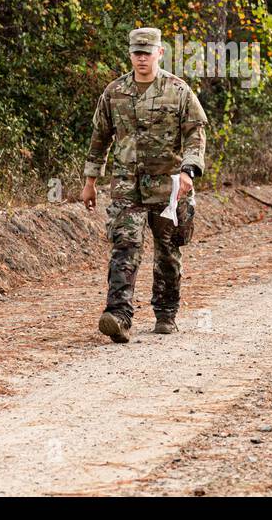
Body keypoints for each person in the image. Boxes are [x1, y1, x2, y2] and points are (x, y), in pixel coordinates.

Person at [81, 27, 208, 342]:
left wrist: (189, 171)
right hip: (127, 186)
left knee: (167, 250)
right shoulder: (114, 92)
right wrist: (90, 181)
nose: (141, 58)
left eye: (147, 53)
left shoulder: (178, 92)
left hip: (168, 186)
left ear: (160, 53)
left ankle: (166, 313)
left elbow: (196, 135)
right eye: (136, 52)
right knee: (125, 246)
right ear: (130, 54)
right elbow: (99, 138)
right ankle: (118, 316)